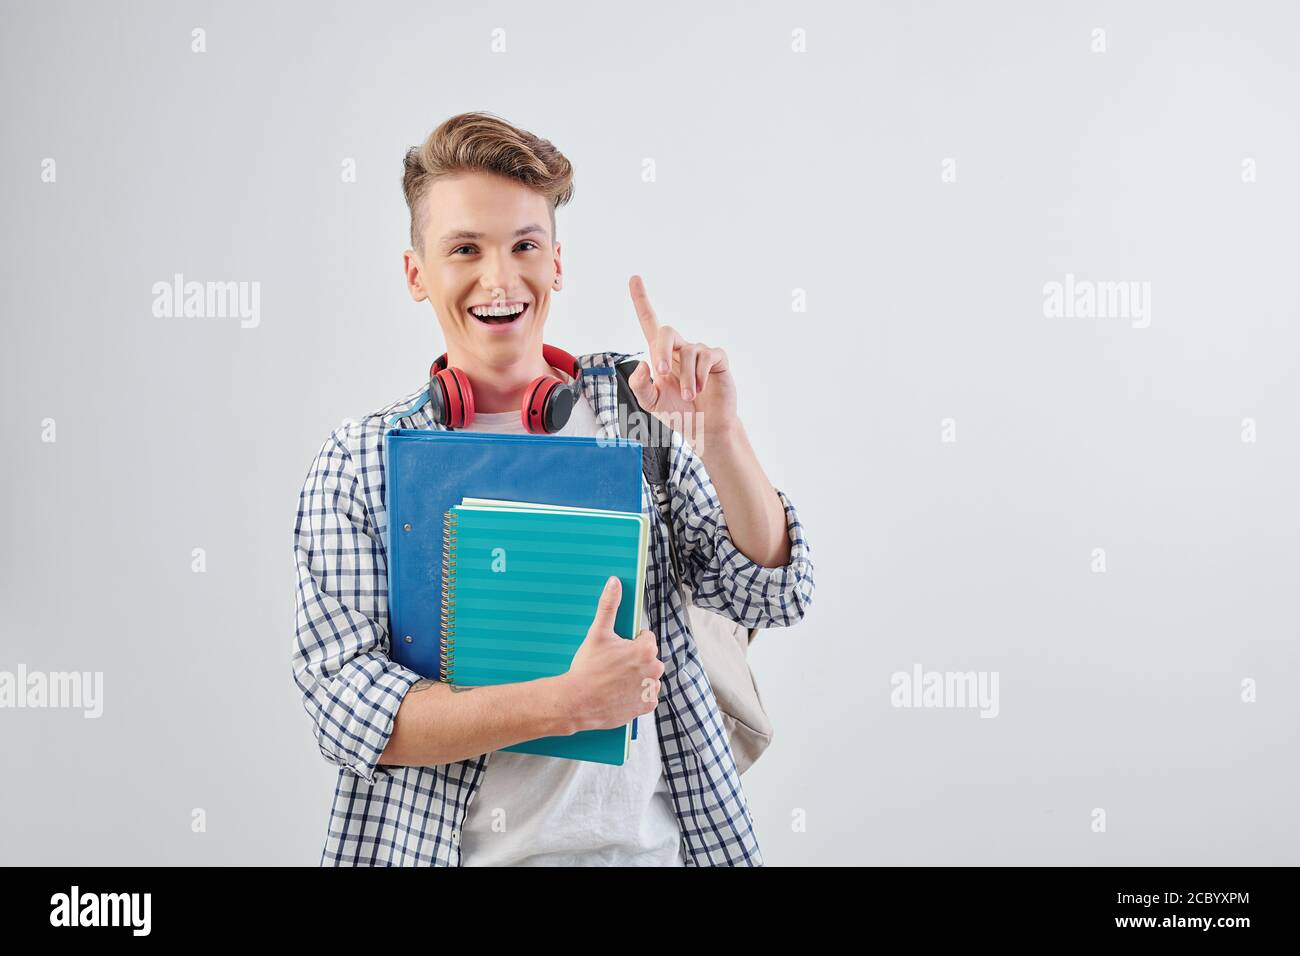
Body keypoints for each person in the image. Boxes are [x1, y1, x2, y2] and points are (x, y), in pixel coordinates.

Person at [291, 112, 815, 866]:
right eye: (464, 248)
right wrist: (568, 704)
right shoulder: (359, 467)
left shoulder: (638, 406)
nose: (500, 279)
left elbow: (774, 595)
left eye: (524, 246)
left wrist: (723, 436)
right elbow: (347, 714)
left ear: (558, 262)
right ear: (416, 274)